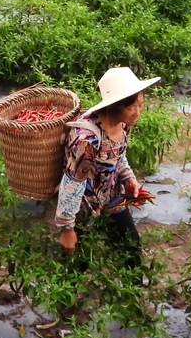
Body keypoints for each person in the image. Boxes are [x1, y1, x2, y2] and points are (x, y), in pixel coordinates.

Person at [55, 66, 160, 270]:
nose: (137, 112)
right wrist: (67, 228)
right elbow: (73, 183)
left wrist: (128, 177)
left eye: (141, 105)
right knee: (77, 262)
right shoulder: (87, 139)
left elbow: (119, 157)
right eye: (131, 107)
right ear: (115, 106)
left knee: (131, 247)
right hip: (85, 206)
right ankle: (66, 300)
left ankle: (133, 294)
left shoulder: (122, 124)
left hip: (111, 196)